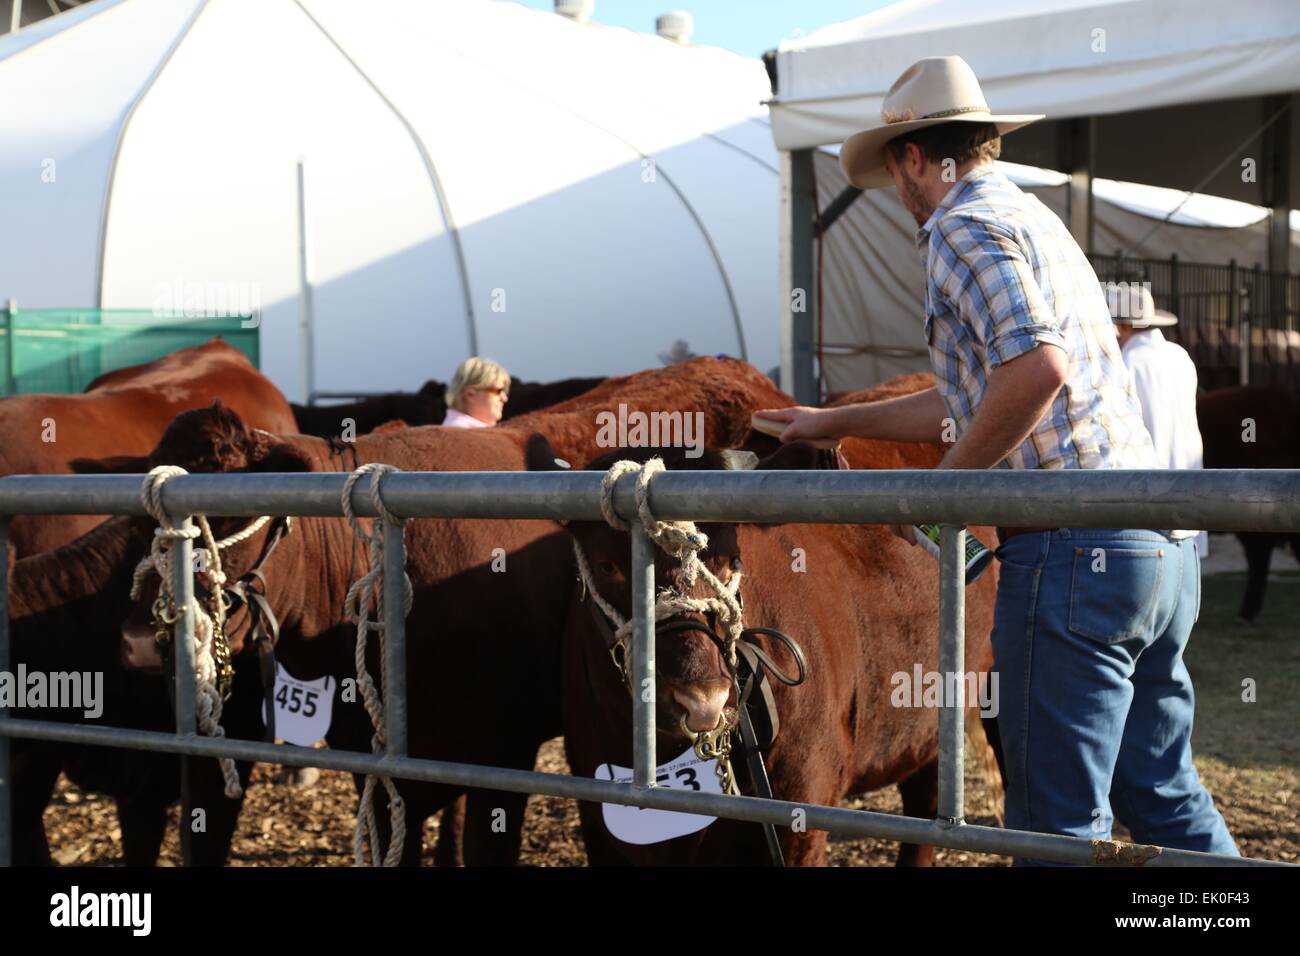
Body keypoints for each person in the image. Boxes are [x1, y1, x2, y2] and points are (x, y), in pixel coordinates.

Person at [758, 56, 1237, 862]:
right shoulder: (1031, 218)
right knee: (1160, 789)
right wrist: (825, 420)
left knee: (1055, 823)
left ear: (915, 155)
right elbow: (975, 394)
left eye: (895, 168)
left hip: (1069, 551)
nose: (898, 188)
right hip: (1149, 544)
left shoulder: (957, 228)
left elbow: (1035, 372)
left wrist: (948, 492)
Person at [1109, 282, 1208, 558]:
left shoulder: (1125, 363)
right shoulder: (1180, 356)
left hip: (1146, 505)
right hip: (1189, 500)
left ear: (1125, 325)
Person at [442, 357, 509, 428]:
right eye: (497, 391)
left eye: (504, 391)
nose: (504, 398)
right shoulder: (459, 431)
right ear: (469, 394)